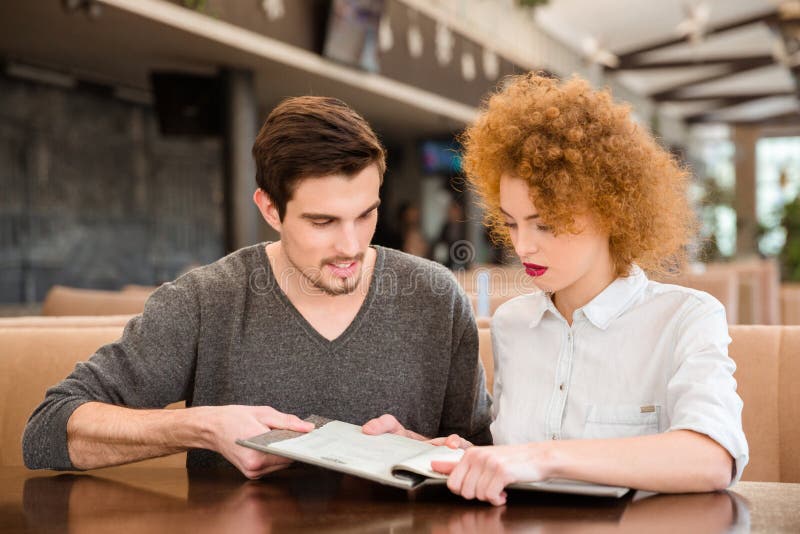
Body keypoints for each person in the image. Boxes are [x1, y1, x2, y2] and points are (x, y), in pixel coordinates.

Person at [23, 96, 492, 478]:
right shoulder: (205, 301)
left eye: (365, 214)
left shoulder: (435, 297)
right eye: (322, 221)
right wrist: (203, 426)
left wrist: (418, 448)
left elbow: (484, 452)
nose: (350, 245)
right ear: (270, 209)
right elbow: (48, 430)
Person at [368, 73, 748, 505]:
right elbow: (516, 463)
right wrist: (427, 452)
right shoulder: (513, 324)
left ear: (611, 211)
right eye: (512, 222)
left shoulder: (685, 318)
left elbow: (713, 457)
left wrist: (543, 458)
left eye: (545, 224)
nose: (523, 245)